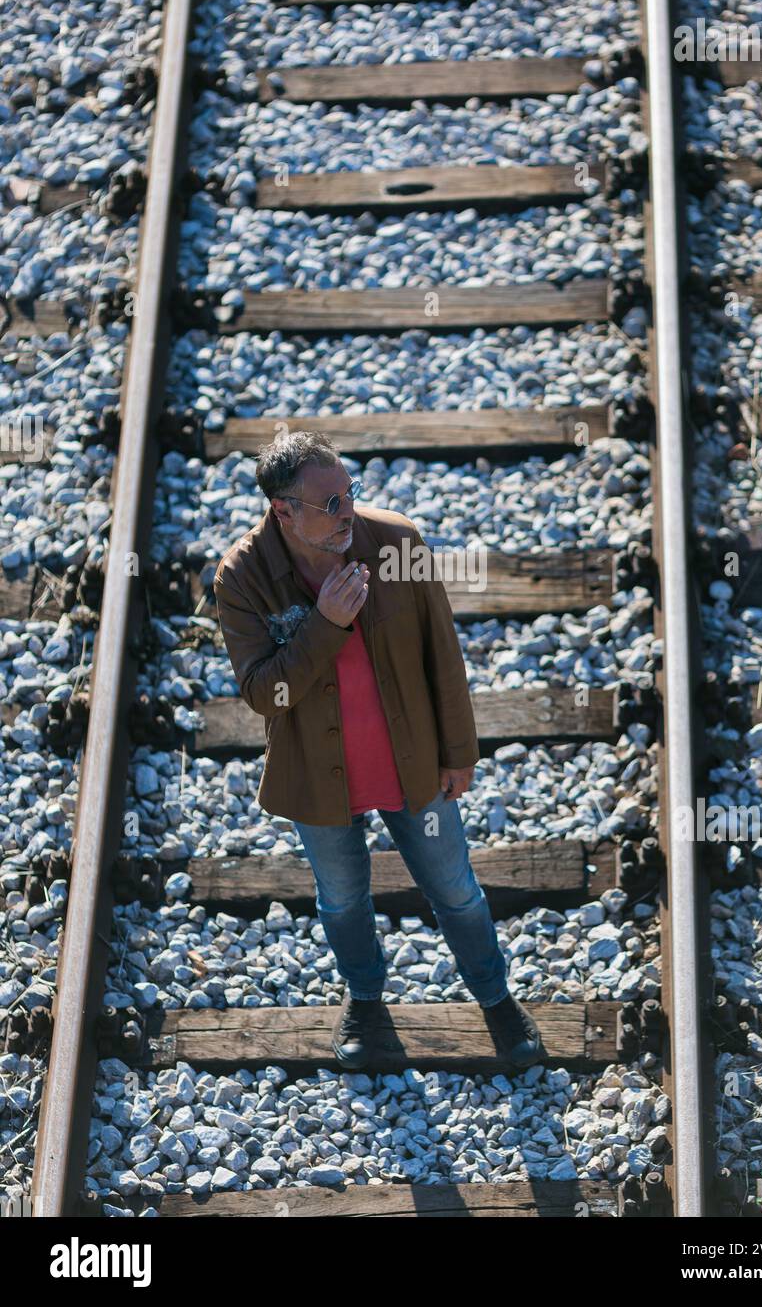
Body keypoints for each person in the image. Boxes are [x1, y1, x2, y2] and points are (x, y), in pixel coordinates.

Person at [212, 430, 542, 1069]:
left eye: (348, 493)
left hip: (412, 758)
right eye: (329, 504)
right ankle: (365, 1001)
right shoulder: (242, 576)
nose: (346, 514)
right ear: (283, 511)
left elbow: (442, 653)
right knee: (341, 896)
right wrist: (325, 625)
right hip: (318, 773)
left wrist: (459, 751)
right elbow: (262, 693)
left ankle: (498, 999)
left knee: (454, 886)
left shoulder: (396, 542)